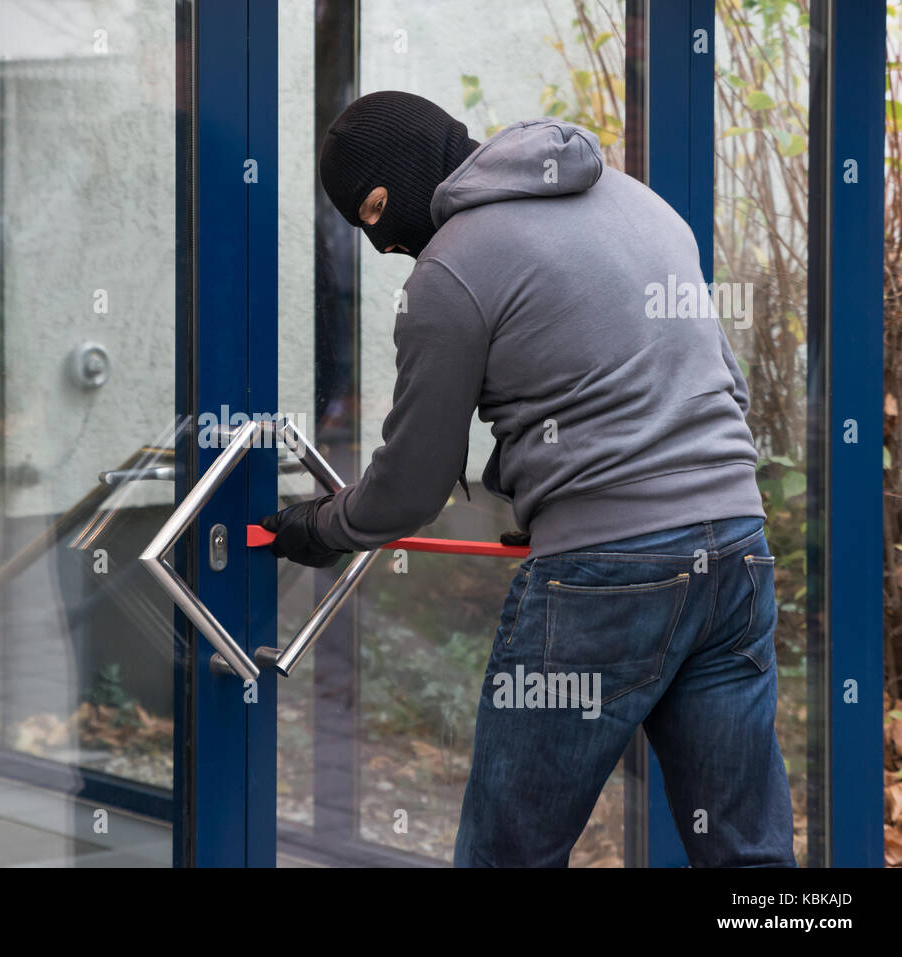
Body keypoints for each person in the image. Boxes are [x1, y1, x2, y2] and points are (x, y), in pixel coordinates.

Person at [259, 90, 796, 867]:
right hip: (737, 554)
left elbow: (413, 484)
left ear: (406, 175)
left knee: (508, 853)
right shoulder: (637, 202)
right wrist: (539, 471)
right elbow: (724, 387)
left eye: (373, 213)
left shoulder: (450, 268)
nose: (380, 248)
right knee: (749, 854)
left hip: (604, 578)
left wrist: (319, 526)